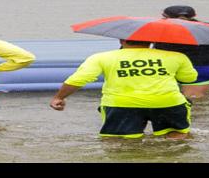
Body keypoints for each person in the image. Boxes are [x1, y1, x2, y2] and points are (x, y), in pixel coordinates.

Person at [50, 39, 199, 139]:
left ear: (121, 41)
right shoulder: (176, 56)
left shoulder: (101, 57)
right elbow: (189, 78)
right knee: (176, 137)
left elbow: (78, 79)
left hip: (121, 105)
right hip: (167, 103)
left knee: (119, 142)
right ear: (151, 41)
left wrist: (59, 97)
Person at [151, 5, 209, 100]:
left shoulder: (158, 28)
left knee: (166, 99)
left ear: (165, 16)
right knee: (195, 100)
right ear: (194, 16)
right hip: (204, 67)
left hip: (169, 68)